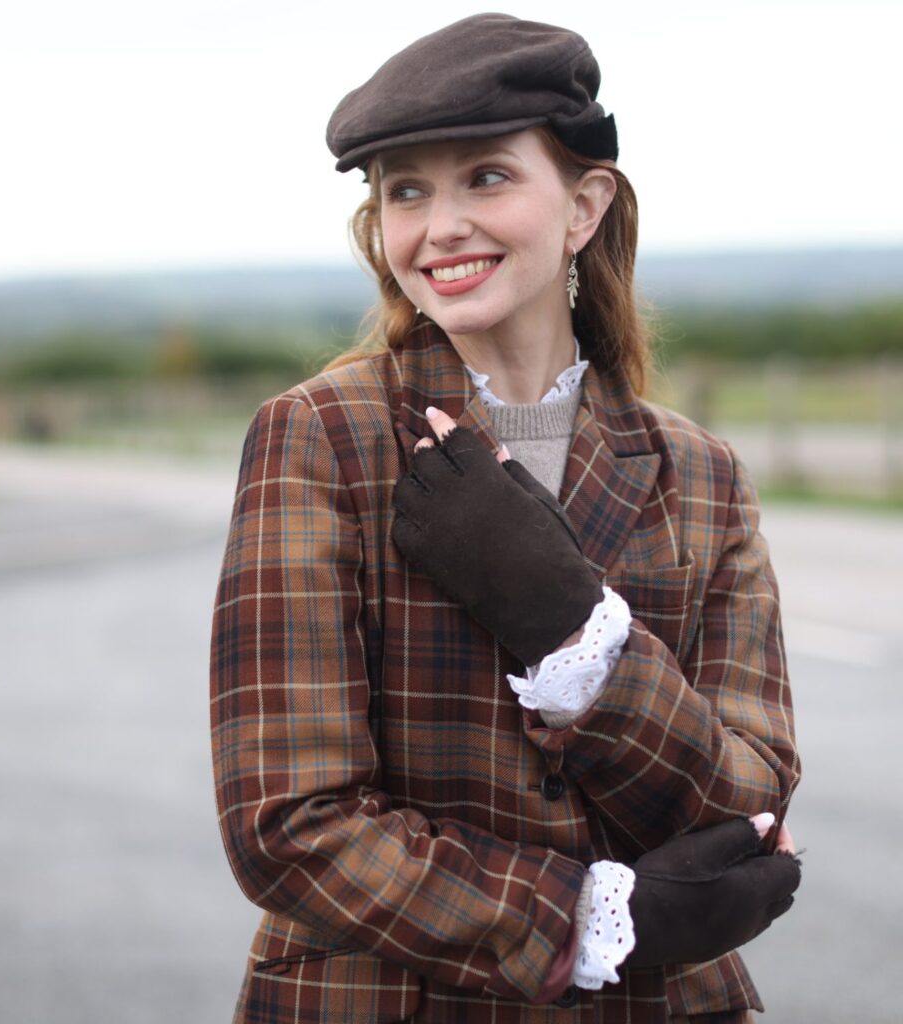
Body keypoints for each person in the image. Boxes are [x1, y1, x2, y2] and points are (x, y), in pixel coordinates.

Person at [210, 13, 801, 1023]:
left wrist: (573, 627)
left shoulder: (701, 472)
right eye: (406, 190)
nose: (440, 225)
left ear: (583, 205)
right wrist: (587, 919)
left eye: (485, 177)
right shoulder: (322, 437)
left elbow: (746, 802)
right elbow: (288, 821)